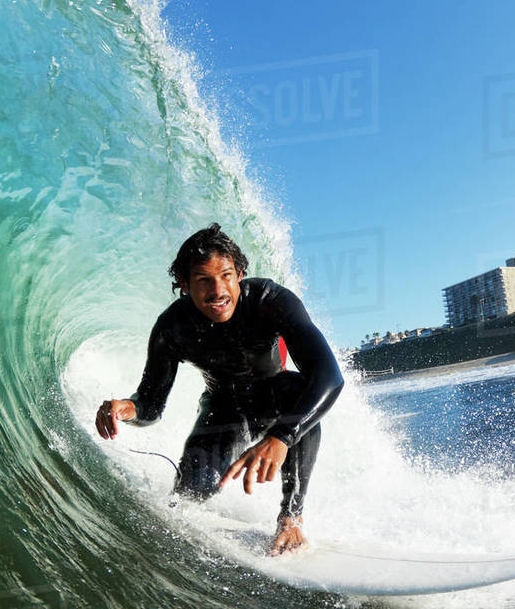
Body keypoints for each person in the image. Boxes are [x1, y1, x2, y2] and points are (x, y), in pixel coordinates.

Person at [95, 223, 344, 555]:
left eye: (226, 275)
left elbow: (329, 376)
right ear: (184, 285)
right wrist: (127, 408)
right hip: (223, 409)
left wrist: (282, 437)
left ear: (239, 273)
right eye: (203, 281)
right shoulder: (172, 329)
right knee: (186, 500)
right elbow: (151, 404)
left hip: (276, 399)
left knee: (298, 391)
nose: (218, 290)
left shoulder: (270, 301)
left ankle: (291, 519)